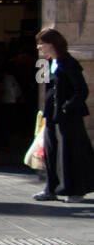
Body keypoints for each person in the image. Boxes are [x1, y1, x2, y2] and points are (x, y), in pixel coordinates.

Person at [34, 27, 93, 203]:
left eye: (41, 43)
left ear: (52, 44)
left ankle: (75, 190)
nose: (39, 47)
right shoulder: (44, 63)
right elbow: (45, 88)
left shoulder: (69, 63)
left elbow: (82, 90)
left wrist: (67, 107)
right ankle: (50, 188)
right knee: (50, 153)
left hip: (68, 116)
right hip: (51, 115)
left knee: (70, 152)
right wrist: (43, 112)